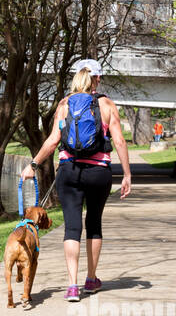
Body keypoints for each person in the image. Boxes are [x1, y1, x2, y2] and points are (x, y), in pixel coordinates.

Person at [22, 59, 132, 302]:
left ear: (77, 77)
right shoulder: (106, 105)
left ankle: (72, 286)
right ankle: (91, 280)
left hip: (69, 171)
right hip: (98, 173)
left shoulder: (64, 105)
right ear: (98, 79)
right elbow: (120, 142)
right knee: (94, 224)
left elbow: (52, 141)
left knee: (72, 227)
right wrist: (126, 174)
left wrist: (33, 165)